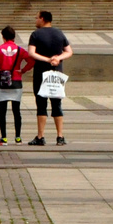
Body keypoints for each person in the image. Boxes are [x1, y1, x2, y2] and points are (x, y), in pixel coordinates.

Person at [0, 26, 34, 145]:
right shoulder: (20, 50)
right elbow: (31, 61)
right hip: (16, 81)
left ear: (3, 37)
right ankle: (18, 138)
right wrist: (24, 70)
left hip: (2, 82)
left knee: (2, 111)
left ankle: (4, 138)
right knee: (16, 111)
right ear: (14, 37)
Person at [27, 10, 72, 146]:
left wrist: (47, 59)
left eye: (37, 18)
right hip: (56, 74)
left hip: (41, 73)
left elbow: (31, 53)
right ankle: (60, 136)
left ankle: (40, 137)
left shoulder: (35, 34)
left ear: (43, 19)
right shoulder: (59, 33)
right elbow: (69, 51)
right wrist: (57, 58)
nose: (35, 20)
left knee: (41, 104)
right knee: (57, 104)